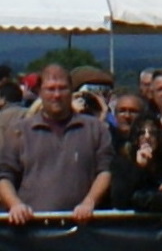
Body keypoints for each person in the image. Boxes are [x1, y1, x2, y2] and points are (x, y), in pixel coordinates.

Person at [0, 64, 113, 224]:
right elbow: (4, 176)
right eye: (50, 89)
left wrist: (89, 201)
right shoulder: (19, 131)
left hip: (81, 228)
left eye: (62, 88)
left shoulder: (96, 129)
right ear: (40, 92)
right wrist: (15, 205)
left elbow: (105, 171)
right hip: (31, 230)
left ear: (72, 91)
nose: (57, 94)